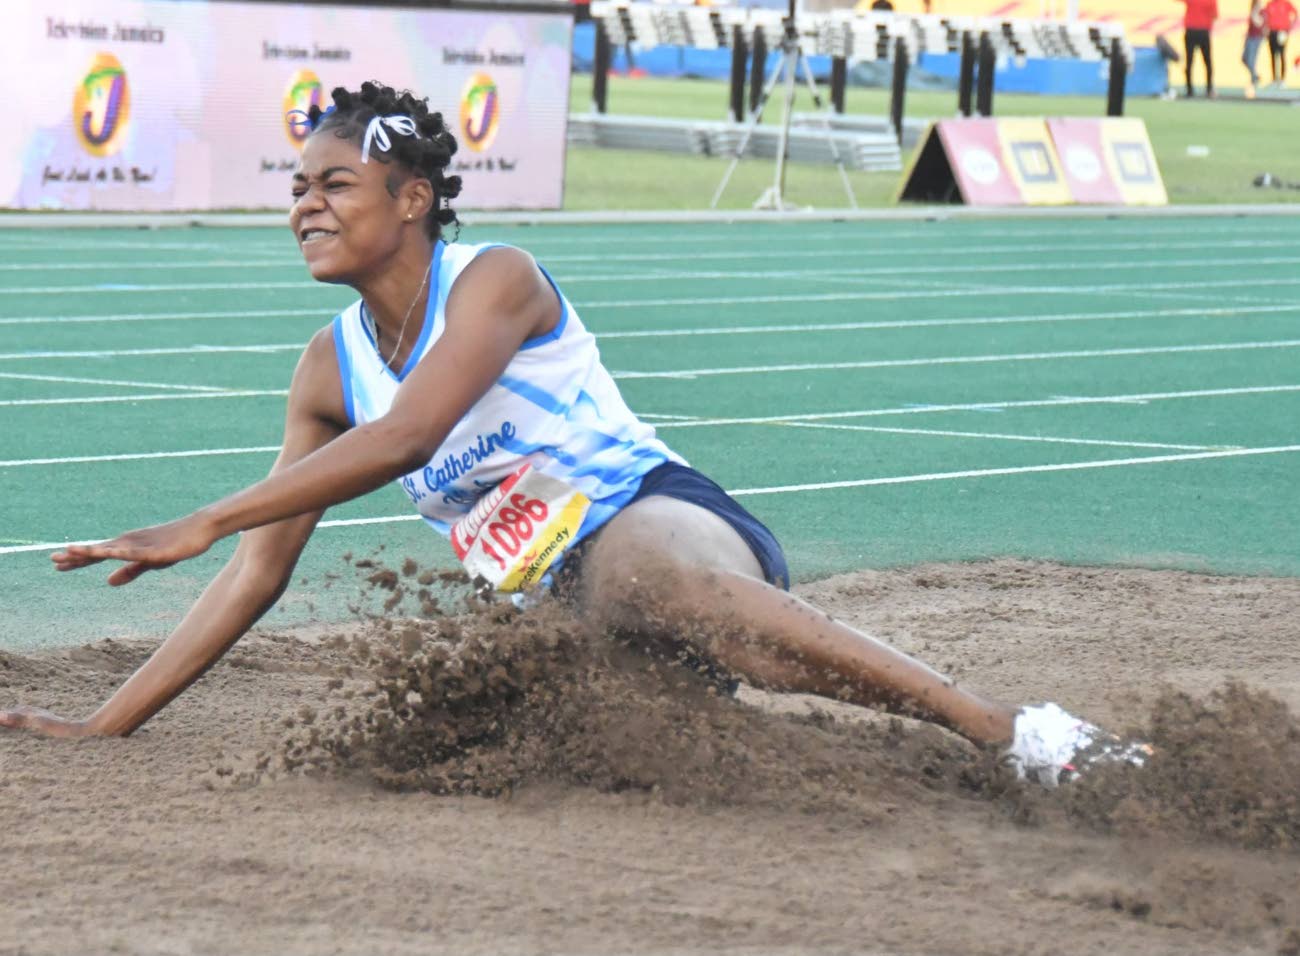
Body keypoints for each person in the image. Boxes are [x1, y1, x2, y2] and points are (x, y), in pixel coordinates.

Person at [0, 81, 1145, 790]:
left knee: (648, 575)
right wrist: (107, 722)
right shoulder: (324, 367)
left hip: (669, 527)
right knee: (568, 711)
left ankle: (1013, 732)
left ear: (411, 198)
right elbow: (256, 577)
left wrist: (201, 512)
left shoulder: (495, 278)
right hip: (574, 612)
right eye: (294, 186)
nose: (302, 204)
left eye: (334, 183)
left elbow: (410, 437)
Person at [1178, 0, 1219, 97]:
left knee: (1189, 61)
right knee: (1207, 62)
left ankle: (1189, 89)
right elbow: (1215, 16)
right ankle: (1209, 89)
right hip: (1203, 31)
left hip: (1191, 31)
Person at [1264, 0, 1298, 84]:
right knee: (1273, 55)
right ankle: (1274, 79)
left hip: (1282, 32)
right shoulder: (1270, 4)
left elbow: (1295, 13)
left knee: (1281, 54)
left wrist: (1290, 26)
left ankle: (1282, 79)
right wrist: (1266, 29)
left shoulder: (1285, 3)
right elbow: (1265, 17)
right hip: (1272, 32)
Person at [1244, 0, 1268, 93]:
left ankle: (1254, 79)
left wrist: (1254, 13)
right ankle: (1255, 75)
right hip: (1250, 37)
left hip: (1256, 38)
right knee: (1244, 58)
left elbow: (1259, 24)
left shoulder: (1261, 12)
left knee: (1251, 59)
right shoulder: (1252, 10)